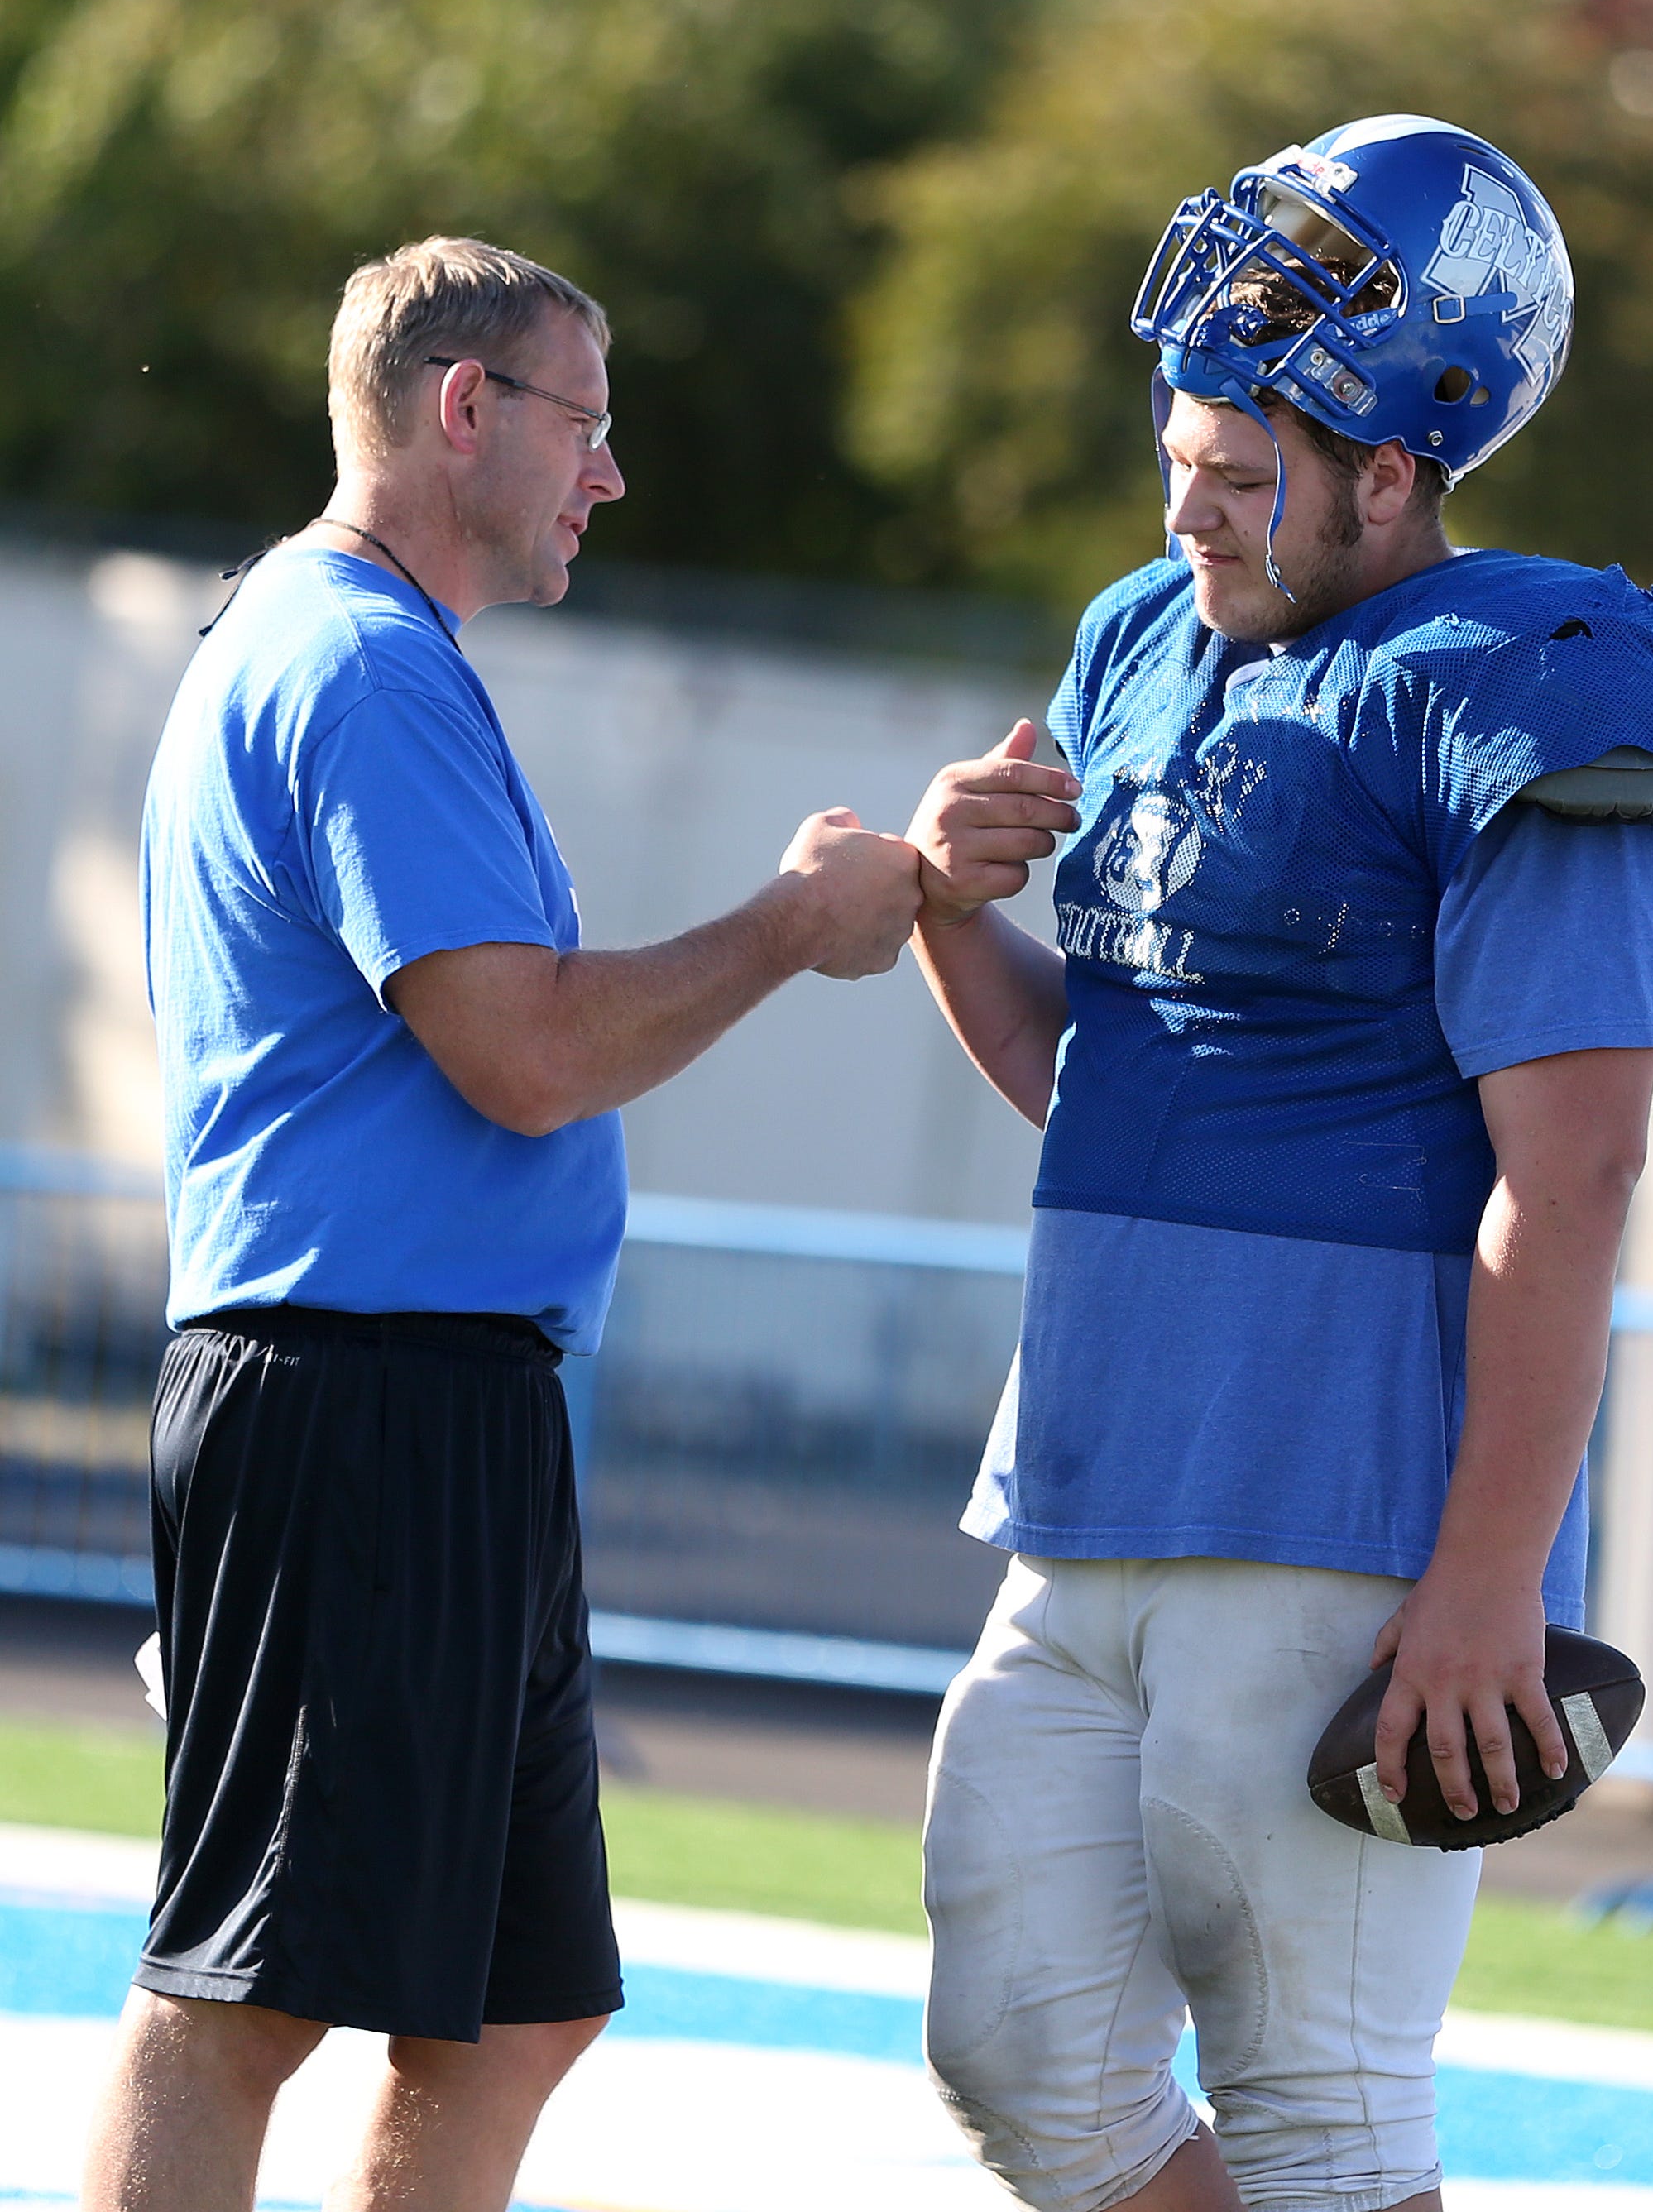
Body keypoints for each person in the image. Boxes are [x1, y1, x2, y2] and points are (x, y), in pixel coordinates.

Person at [903, 117, 1653, 2212]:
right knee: (1023, 2056)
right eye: (1177, 454)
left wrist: (1486, 1589)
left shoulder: (1530, 676)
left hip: (1345, 1516)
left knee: (1324, 2110)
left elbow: (1583, 1172)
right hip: (1084, 1490)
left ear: (1397, 463)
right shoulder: (1137, 640)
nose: (1187, 510)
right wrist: (935, 904)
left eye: (1240, 469)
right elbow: (1106, 1092)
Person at [86, 236, 923, 2212]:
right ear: (465, 406)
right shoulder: (362, 658)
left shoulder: (326, 639)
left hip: (415, 1405)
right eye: (587, 423)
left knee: (519, 2002)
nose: (608, 477)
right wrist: (796, 926)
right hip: (364, 1400)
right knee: (247, 1998)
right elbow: (523, 1054)